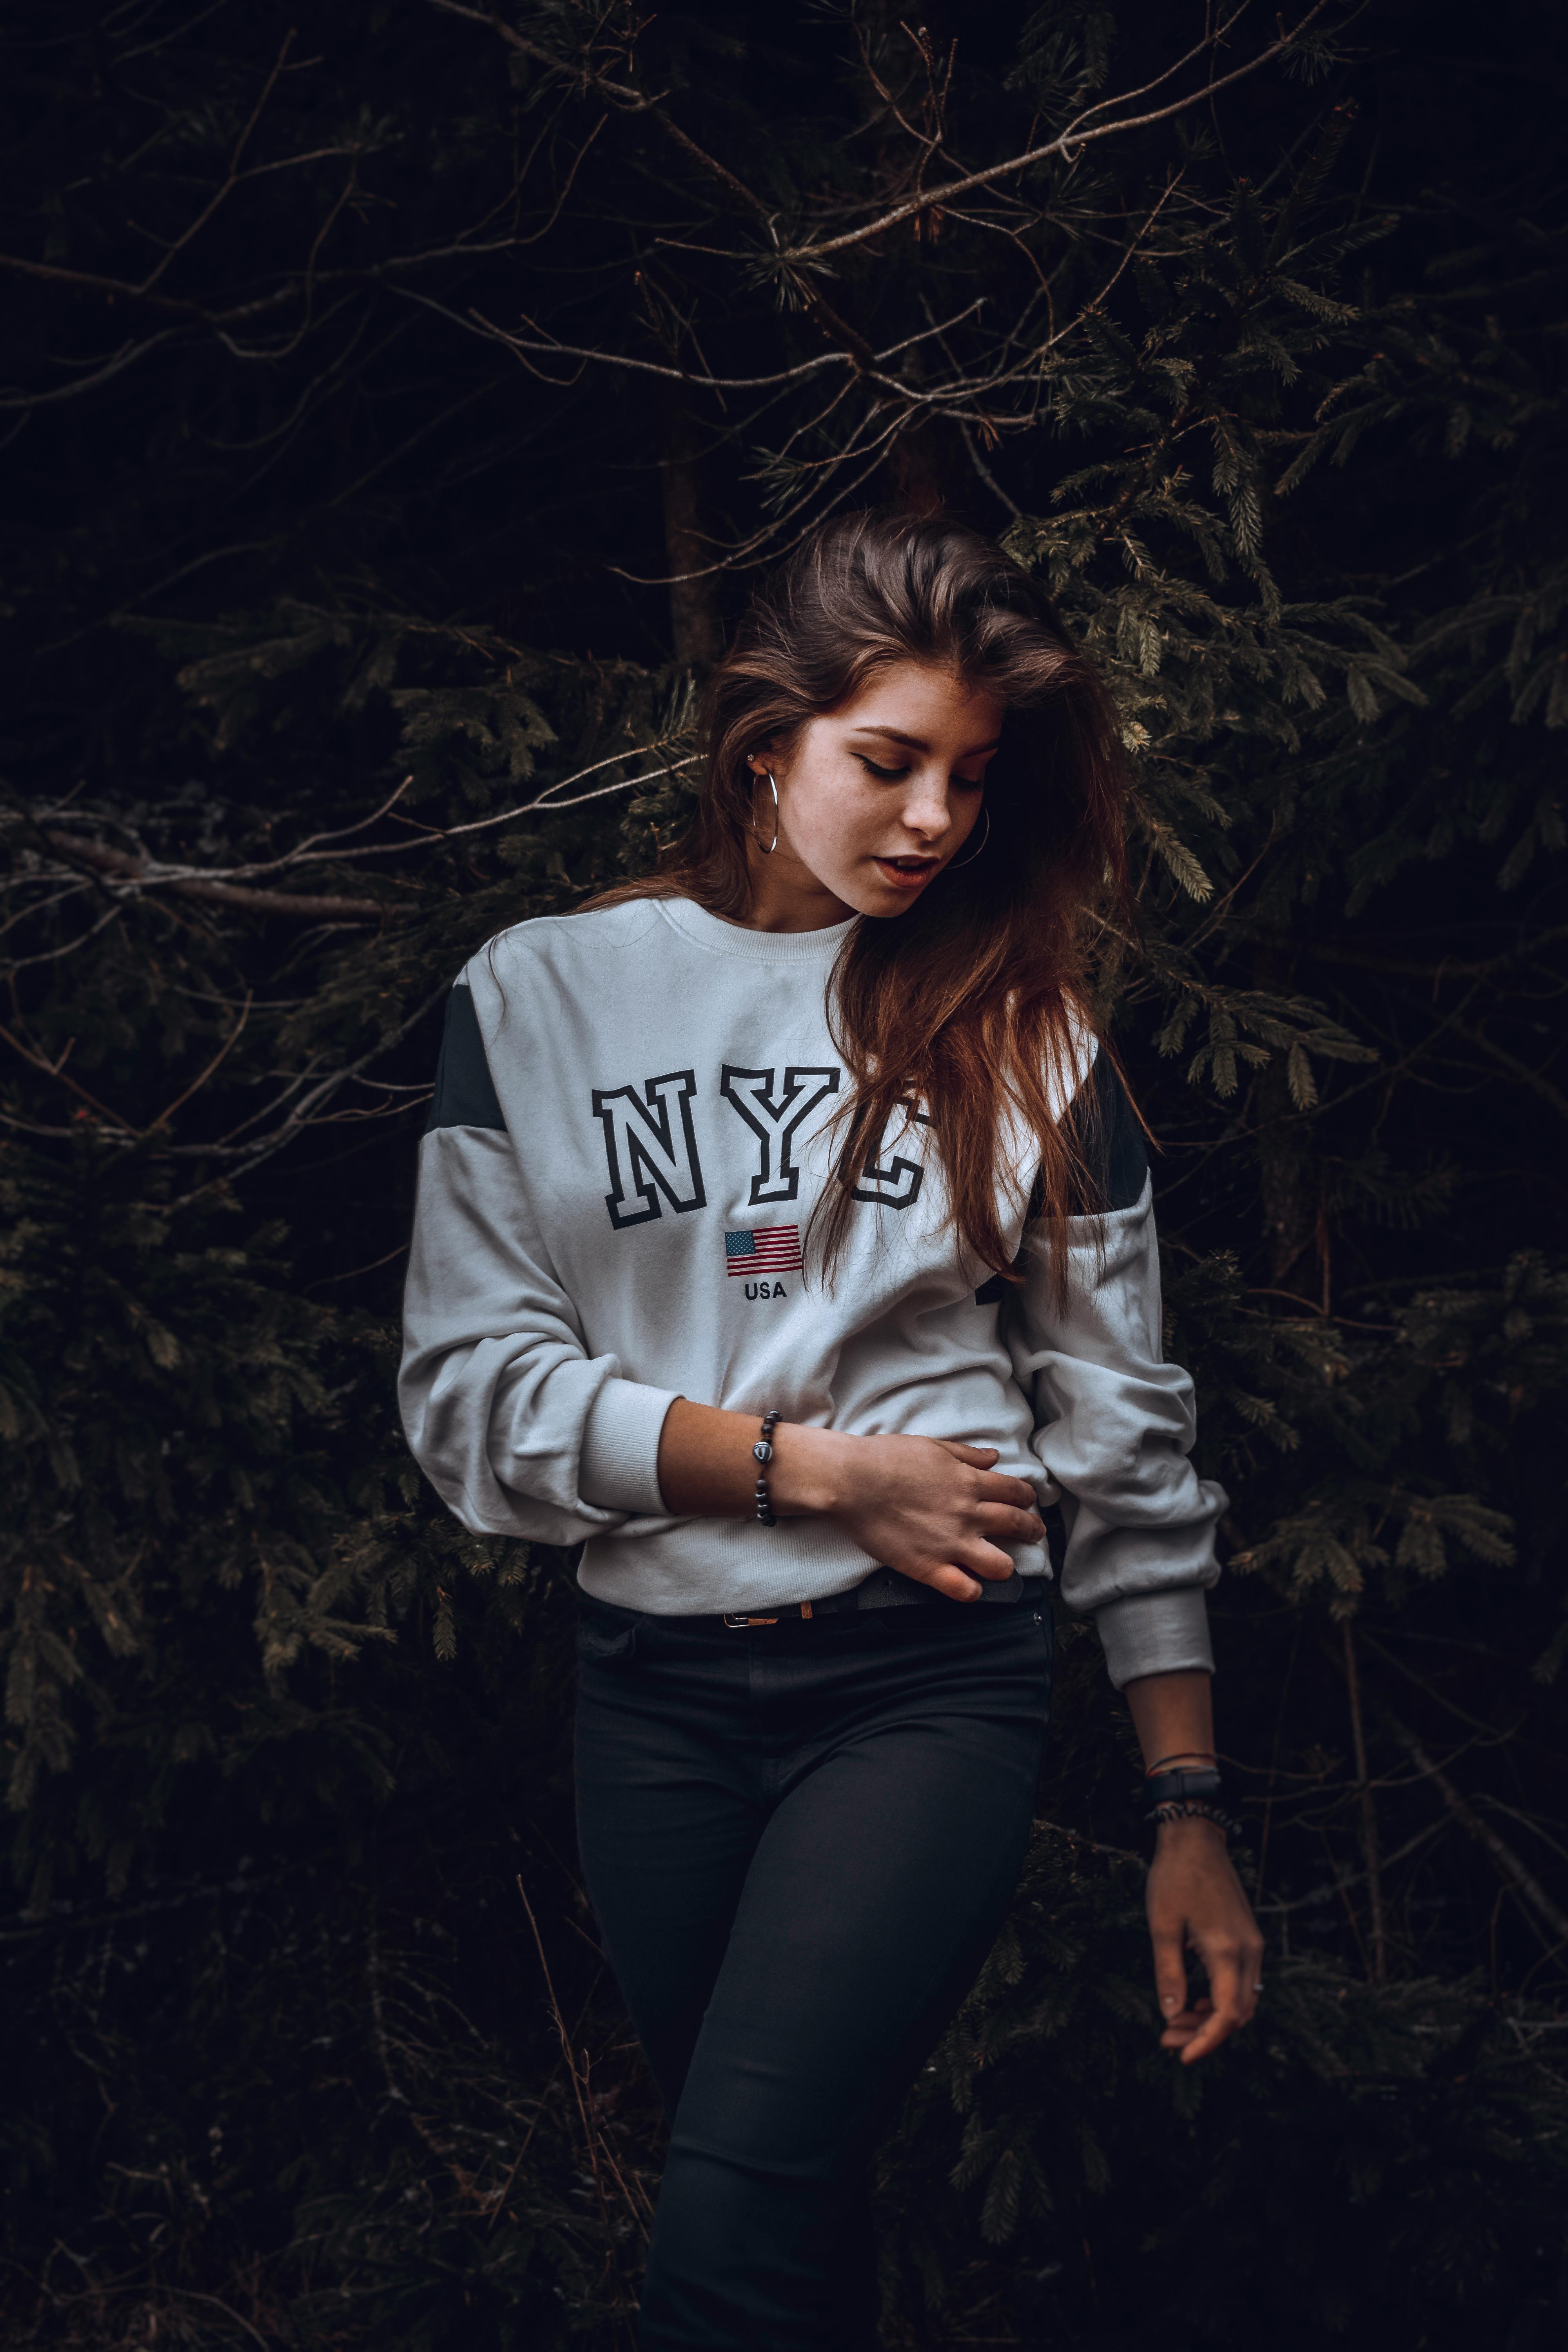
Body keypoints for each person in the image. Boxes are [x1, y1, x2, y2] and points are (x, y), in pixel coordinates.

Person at [399, 510, 1263, 2351]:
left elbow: (1120, 1433)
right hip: (651, 1697)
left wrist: (1184, 1803)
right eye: (889, 762)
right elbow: (473, 1406)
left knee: (725, 2236)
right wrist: (816, 1470)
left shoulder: (1029, 1028)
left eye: (968, 778)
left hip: (921, 1684)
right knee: (787, 2213)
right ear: (762, 741)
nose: (936, 821)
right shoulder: (535, 996)